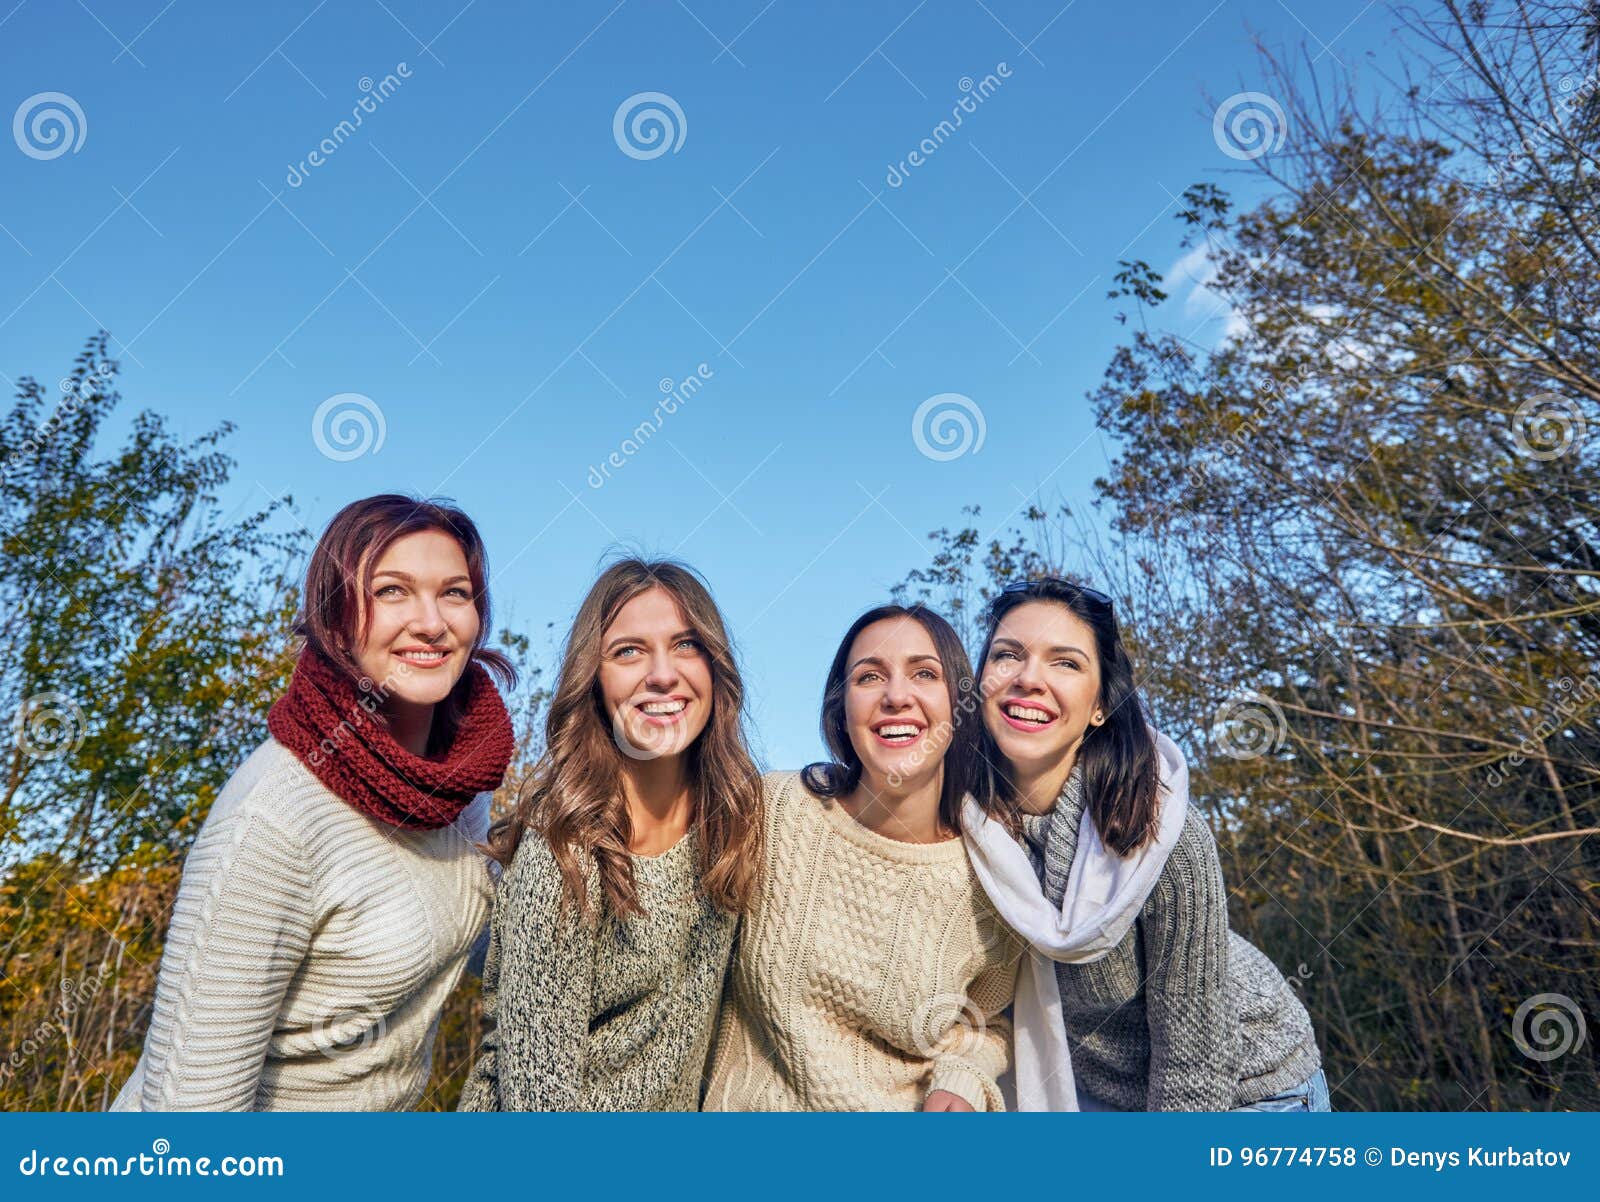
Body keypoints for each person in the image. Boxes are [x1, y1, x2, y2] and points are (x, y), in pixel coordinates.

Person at [111, 494, 516, 1111]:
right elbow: (188, 1116)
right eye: (392, 591)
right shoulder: (272, 819)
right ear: (336, 616)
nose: (432, 622)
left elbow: (493, 942)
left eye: (455, 593)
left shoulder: (458, 784)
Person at [962, 577, 1327, 1111]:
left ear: (1100, 707)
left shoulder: (1158, 830)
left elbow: (1194, 1063)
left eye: (1065, 662)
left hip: (1247, 1089)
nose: (1029, 679)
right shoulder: (962, 822)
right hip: (1098, 1094)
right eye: (1007, 655)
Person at [457, 558, 763, 1111]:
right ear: (593, 682)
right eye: (628, 651)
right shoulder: (564, 850)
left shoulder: (736, 826)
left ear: (715, 669)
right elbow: (538, 1100)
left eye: (686, 645)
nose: (663, 674)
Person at [703, 603, 1026, 1111]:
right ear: (842, 711)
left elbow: (988, 1023)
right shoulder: (774, 811)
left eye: (924, 673)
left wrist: (963, 1078)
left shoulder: (991, 876)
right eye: (869, 676)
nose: (896, 696)